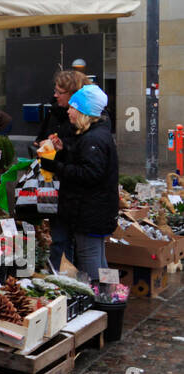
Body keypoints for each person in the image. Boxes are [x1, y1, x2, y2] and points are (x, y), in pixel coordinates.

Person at [39, 83, 119, 282]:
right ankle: (108, 296)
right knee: (97, 255)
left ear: (84, 111)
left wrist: (54, 165)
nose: (69, 111)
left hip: (90, 210)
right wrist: (64, 149)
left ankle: (98, 301)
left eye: (73, 107)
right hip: (95, 209)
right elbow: (84, 162)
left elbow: (89, 174)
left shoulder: (94, 139)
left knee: (89, 256)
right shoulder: (92, 134)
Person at [34, 69, 90, 268]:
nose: (55, 95)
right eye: (55, 90)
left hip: (73, 187)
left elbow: (83, 153)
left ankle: (73, 279)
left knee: (79, 244)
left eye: (60, 92)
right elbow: (40, 135)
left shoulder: (84, 119)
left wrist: (61, 146)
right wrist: (43, 143)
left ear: (74, 95)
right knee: (59, 237)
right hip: (54, 183)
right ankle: (61, 275)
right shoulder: (54, 111)